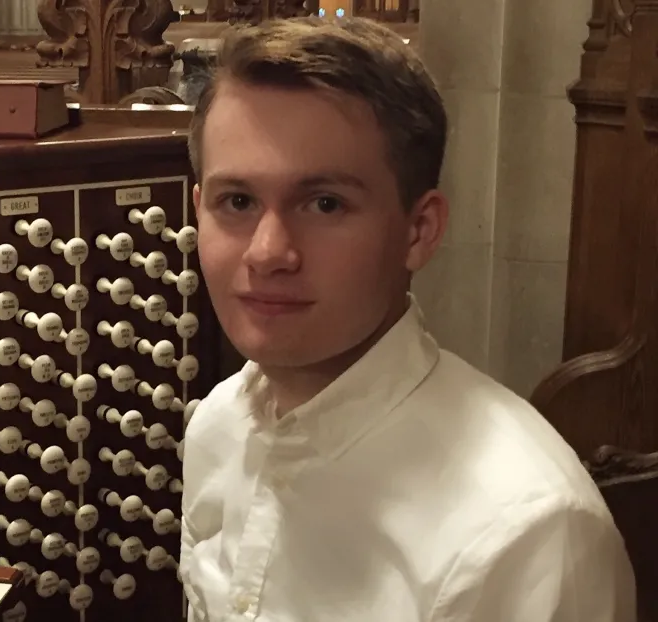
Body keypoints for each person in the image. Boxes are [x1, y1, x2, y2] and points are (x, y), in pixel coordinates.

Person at [179, 15, 636, 622]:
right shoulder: (216, 427)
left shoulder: (529, 534)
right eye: (236, 201)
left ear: (419, 231)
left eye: (325, 203)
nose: (267, 253)